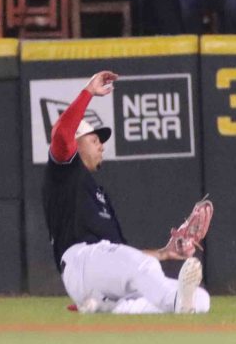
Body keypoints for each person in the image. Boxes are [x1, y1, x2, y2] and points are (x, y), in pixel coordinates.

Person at [43, 70, 210, 314]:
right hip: (80, 261)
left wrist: (165, 253)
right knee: (146, 271)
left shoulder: (97, 194)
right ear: (75, 143)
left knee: (201, 299)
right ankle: (173, 304)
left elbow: (120, 256)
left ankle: (108, 306)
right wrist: (88, 92)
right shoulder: (64, 171)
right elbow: (60, 133)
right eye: (94, 140)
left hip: (98, 273)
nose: (101, 145)